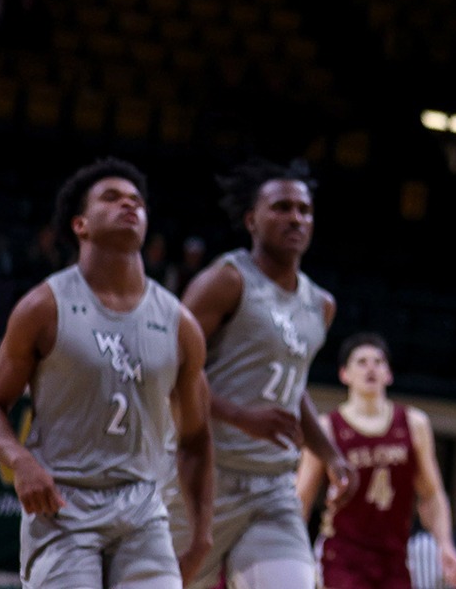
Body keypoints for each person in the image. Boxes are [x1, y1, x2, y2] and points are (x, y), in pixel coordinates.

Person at [0, 157, 216, 588]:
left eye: (137, 201)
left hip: (142, 508)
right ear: (80, 224)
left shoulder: (180, 323)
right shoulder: (43, 306)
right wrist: (19, 459)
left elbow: (196, 437)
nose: (129, 206)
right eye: (112, 198)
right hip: (63, 504)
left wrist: (202, 536)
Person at [168, 157, 355, 589]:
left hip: (272, 488)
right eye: (282, 208)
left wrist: (330, 455)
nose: (296, 218)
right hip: (200, 477)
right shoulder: (226, 281)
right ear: (251, 220)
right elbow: (165, 370)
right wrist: (239, 415)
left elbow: (294, 390)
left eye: (304, 210)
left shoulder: (320, 304)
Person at [297, 333, 456, 589]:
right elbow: (302, 498)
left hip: (394, 557)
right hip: (343, 556)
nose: (371, 368)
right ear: (344, 374)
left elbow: (431, 494)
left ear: (388, 374)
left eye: (378, 362)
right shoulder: (327, 427)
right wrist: (292, 552)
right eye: (362, 362)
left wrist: (445, 544)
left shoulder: (414, 423)